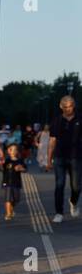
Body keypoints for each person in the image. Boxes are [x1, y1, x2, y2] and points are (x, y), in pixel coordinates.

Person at [47, 95, 80, 224]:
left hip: (76, 157)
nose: (68, 109)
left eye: (70, 106)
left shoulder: (80, 118)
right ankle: (59, 213)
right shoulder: (56, 121)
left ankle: (73, 201)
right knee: (59, 185)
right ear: (61, 106)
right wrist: (49, 160)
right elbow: (52, 140)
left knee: (76, 186)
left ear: (74, 105)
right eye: (65, 106)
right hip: (59, 156)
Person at [1, 142, 26, 221]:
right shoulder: (7, 161)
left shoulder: (20, 161)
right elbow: (1, 168)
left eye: (15, 150)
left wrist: (21, 168)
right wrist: (0, 164)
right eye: (11, 149)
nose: (13, 151)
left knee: (16, 199)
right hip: (7, 182)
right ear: (8, 151)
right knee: (8, 198)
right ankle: (8, 214)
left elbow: (25, 169)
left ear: (17, 151)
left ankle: (11, 208)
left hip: (16, 183)